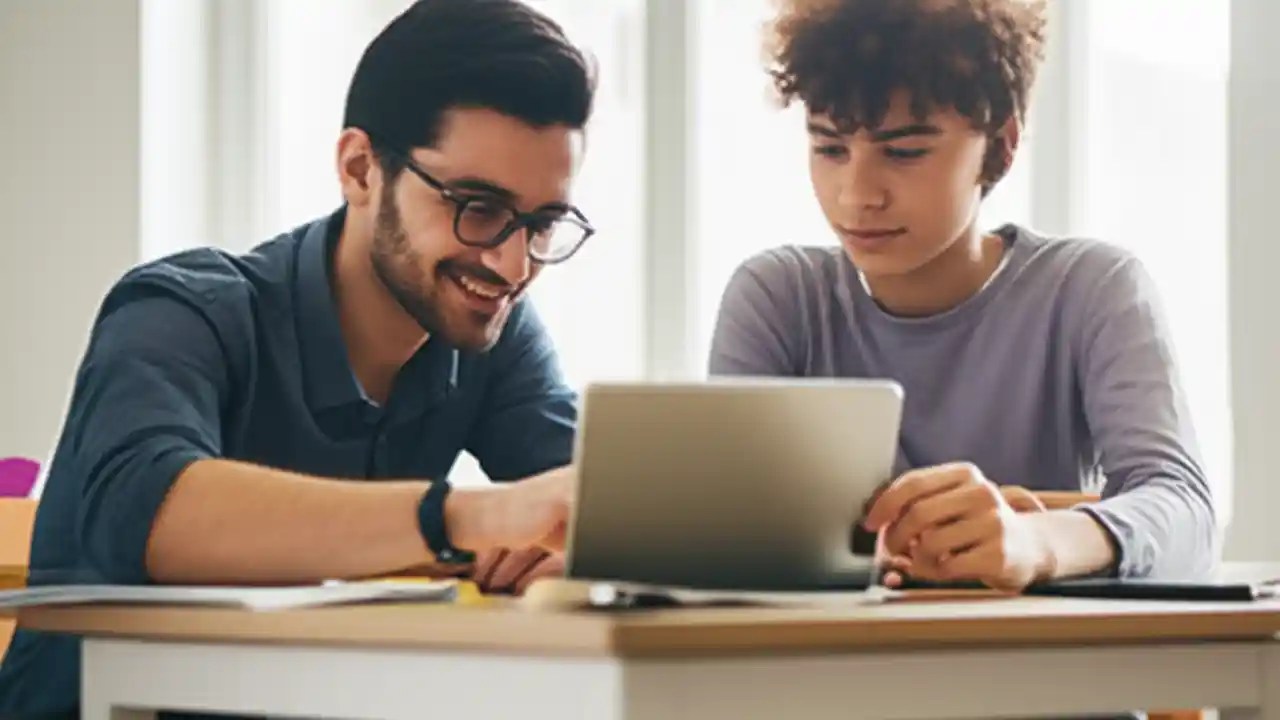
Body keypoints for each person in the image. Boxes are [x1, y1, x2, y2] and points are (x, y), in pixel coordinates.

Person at [0, 0, 596, 715]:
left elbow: (603, 502)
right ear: (359, 169)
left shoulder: (492, 337)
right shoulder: (181, 310)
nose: (512, 261)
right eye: (477, 206)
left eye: (543, 223)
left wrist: (582, 559)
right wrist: (467, 517)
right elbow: (146, 512)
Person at [709, 0, 1216, 591]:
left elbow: (1186, 514)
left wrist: (1037, 541)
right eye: (830, 148)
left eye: (904, 152)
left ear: (999, 146)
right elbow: (731, 526)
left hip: (1041, 668)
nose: (857, 196)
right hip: (828, 668)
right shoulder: (778, 299)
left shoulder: (1091, 289)